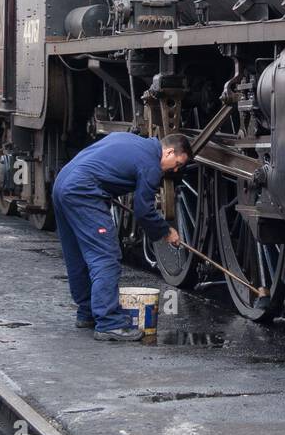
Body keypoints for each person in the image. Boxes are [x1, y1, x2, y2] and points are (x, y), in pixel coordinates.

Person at [53, 132, 191, 341]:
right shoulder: (151, 164)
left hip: (62, 183)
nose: (175, 170)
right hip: (83, 191)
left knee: (78, 254)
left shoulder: (131, 140)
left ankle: (87, 312)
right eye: (177, 163)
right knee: (106, 256)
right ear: (169, 151)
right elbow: (144, 210)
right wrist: (165, 231)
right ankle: (109, 323)